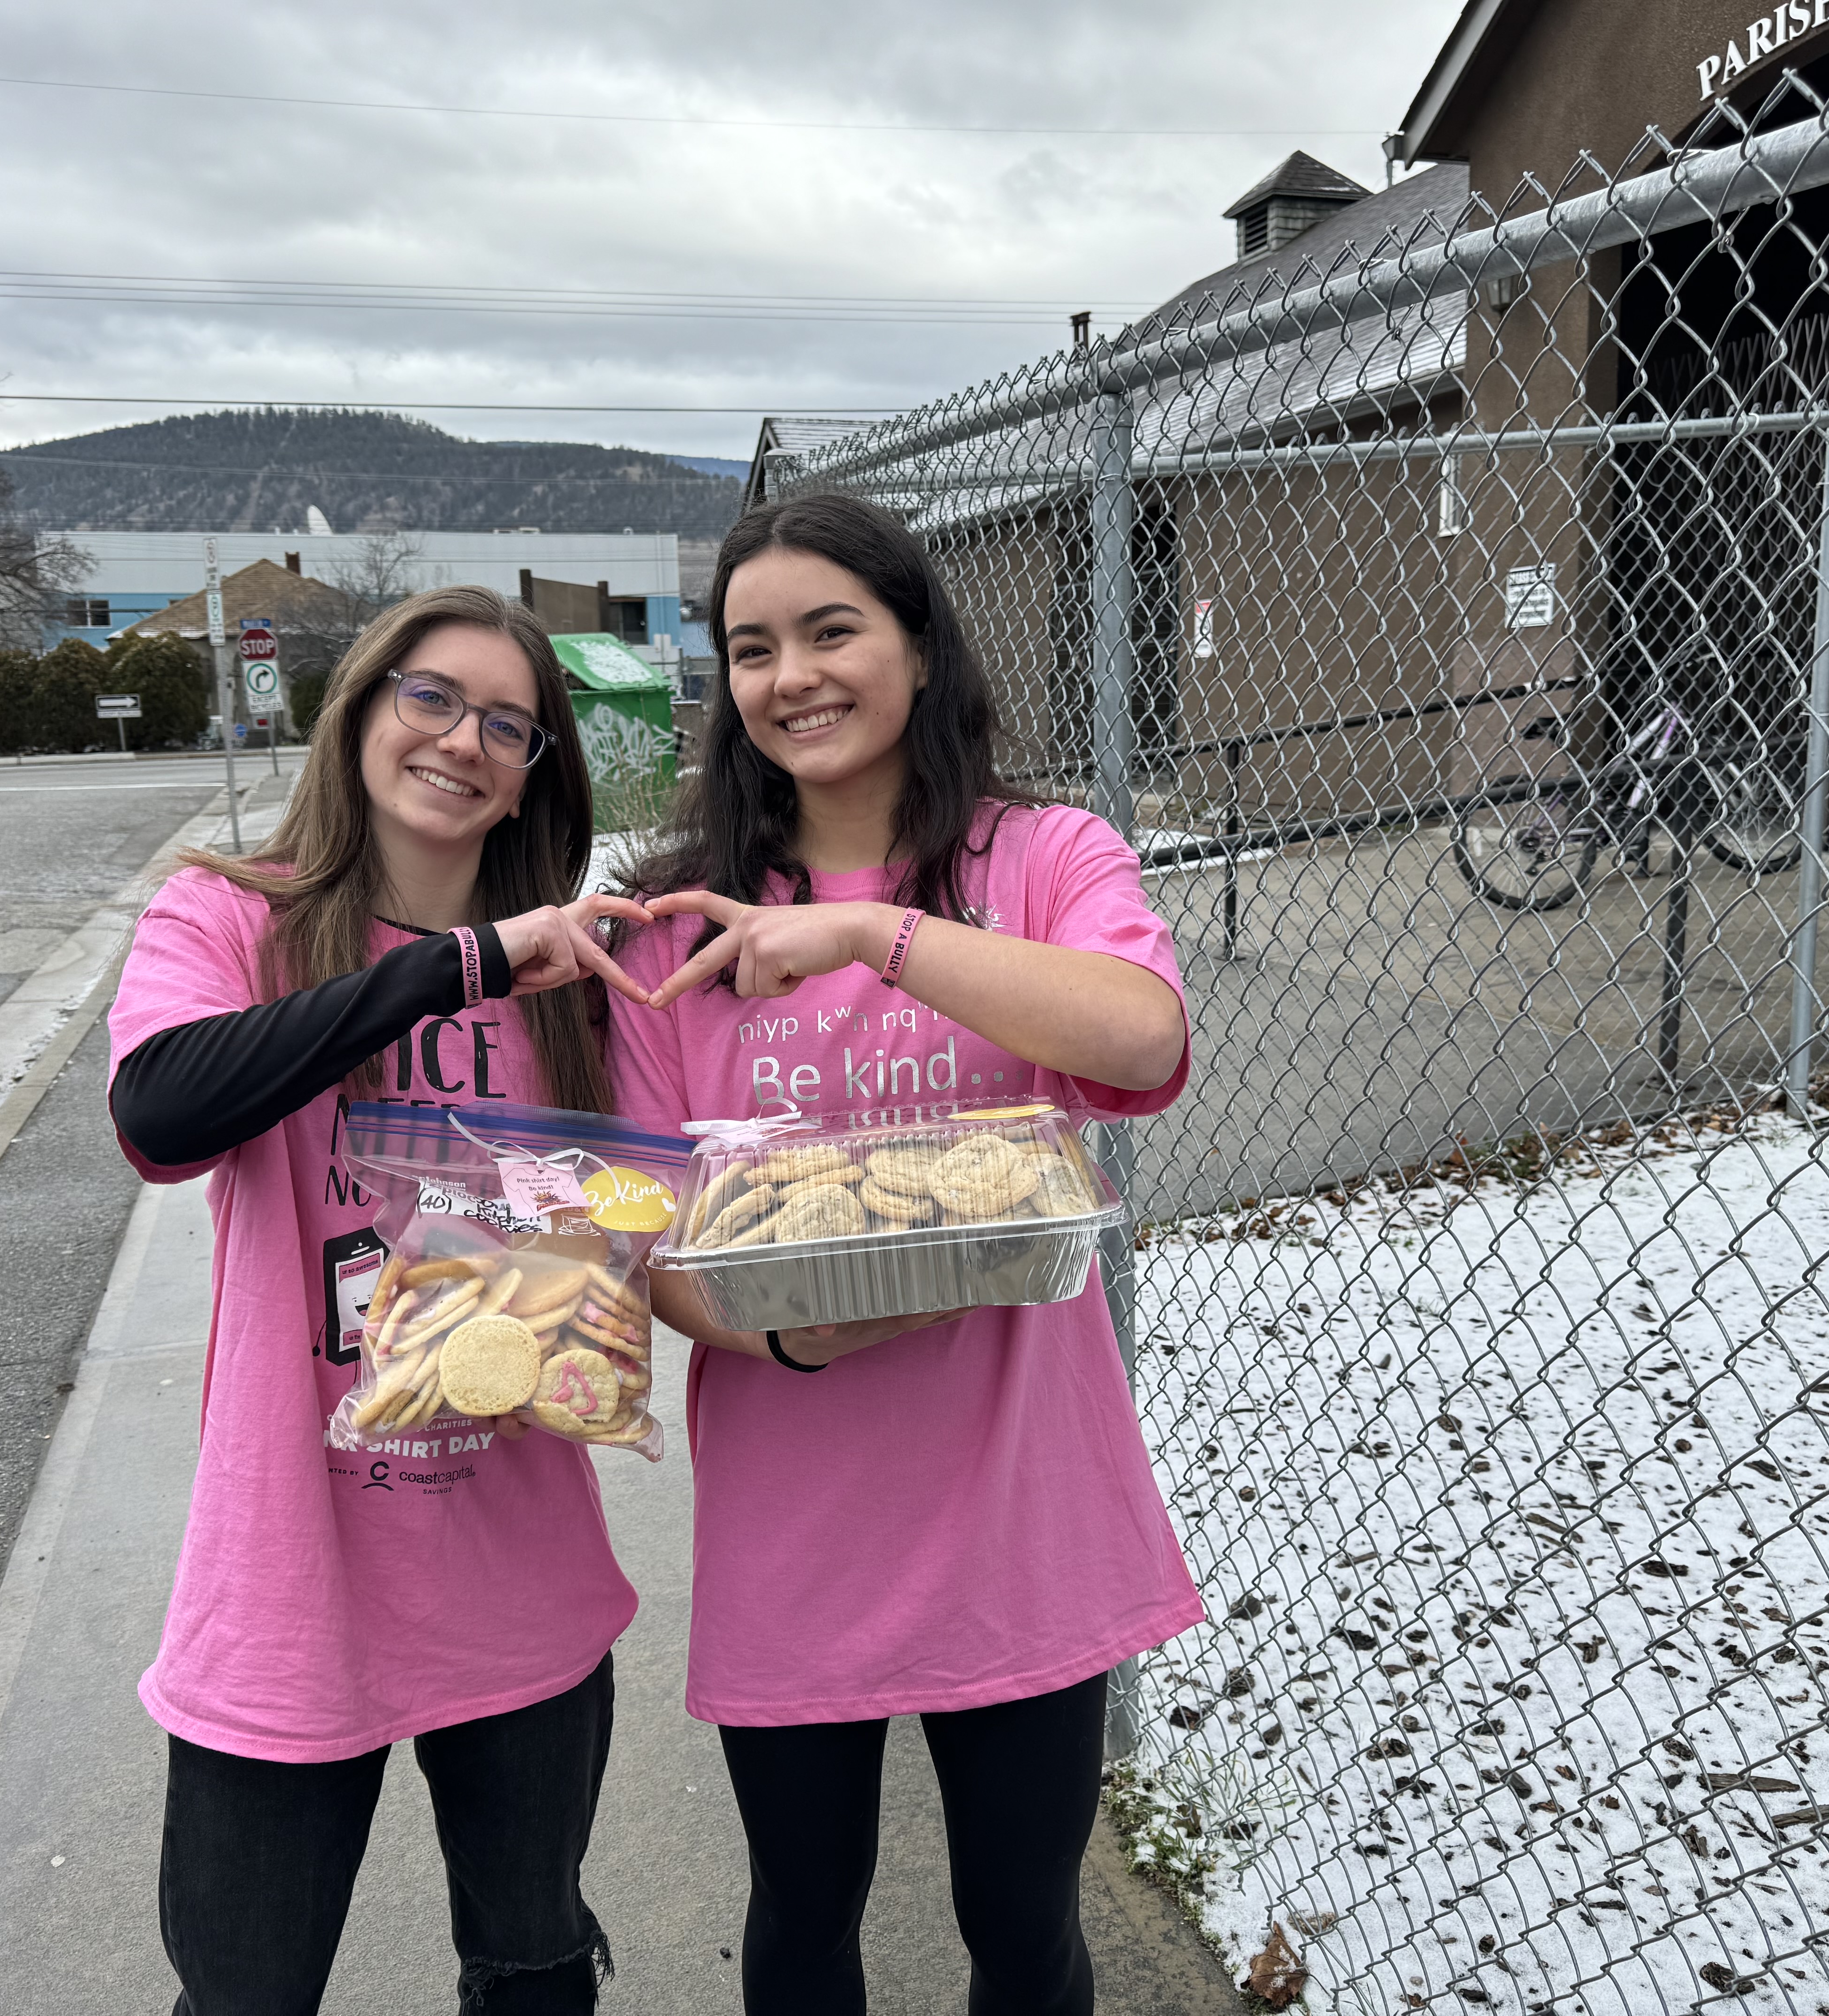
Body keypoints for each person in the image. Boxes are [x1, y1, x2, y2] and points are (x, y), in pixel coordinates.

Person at [607, 494, 1202, 2016]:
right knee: (803, 1916)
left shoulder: (1045, 856)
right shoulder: (677, 927)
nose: (791, 673)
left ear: (920, 649)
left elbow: (1142, 1039)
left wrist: (875, 938)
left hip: (1024, 1508)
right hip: (800, 1520)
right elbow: (650, 1243)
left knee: (1021, 1921)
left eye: (831, 630)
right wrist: (793, 1329)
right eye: (752, 647)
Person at [106, 584, 656, 2016]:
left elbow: (640, 1211)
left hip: (518, 1571)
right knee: (244, 1992)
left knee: (535, 1972)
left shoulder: (573, 979)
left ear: (537, 769)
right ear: (359, 707)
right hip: (290, 1580)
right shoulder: (231, 916)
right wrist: (461, 963)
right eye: (431, 696)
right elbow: (162, 1116)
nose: (464, 739)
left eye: (509, 724)